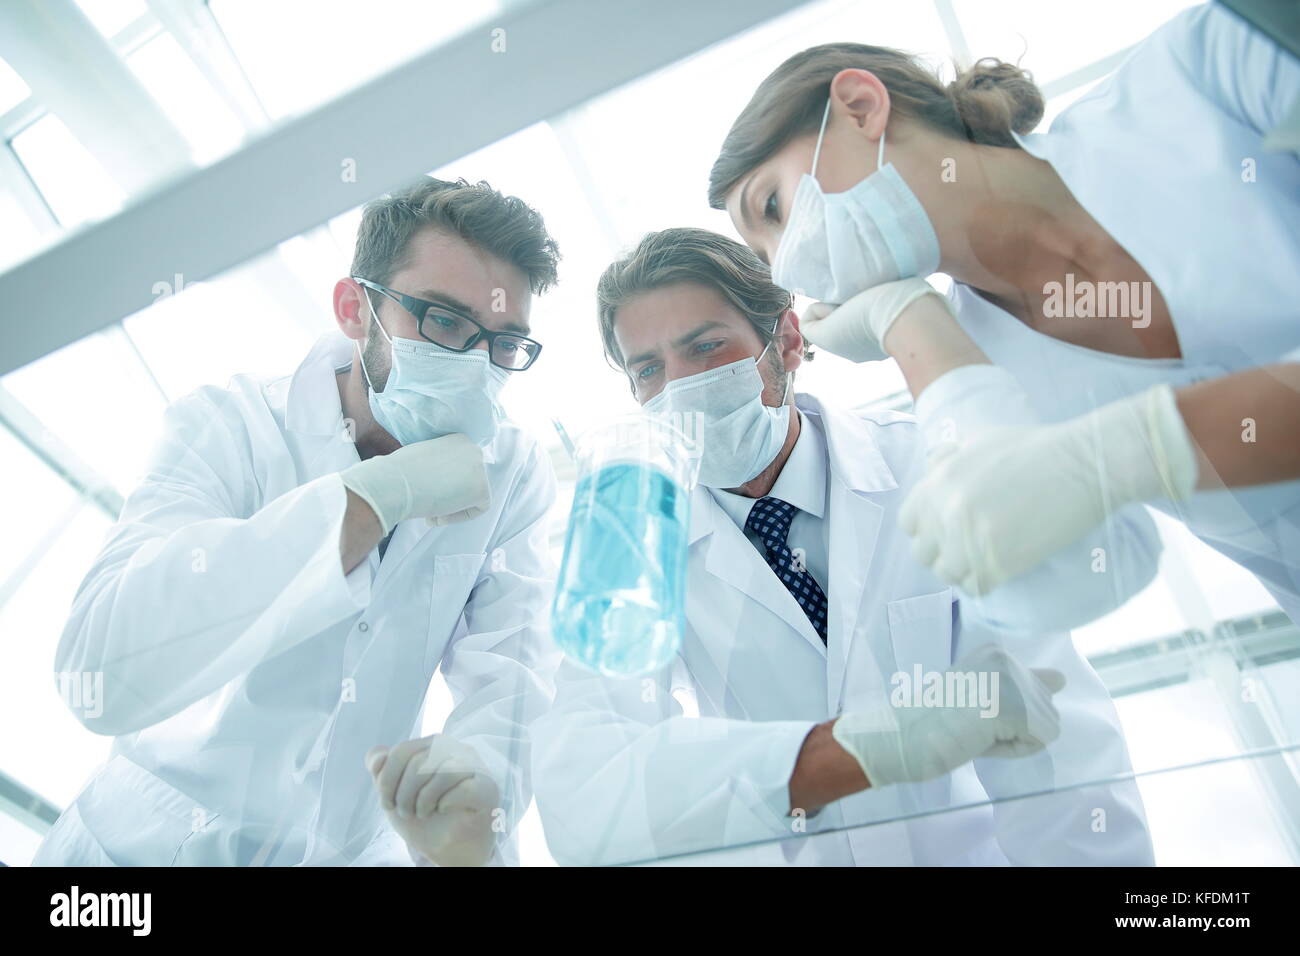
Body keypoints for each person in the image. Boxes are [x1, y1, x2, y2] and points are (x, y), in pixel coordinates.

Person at [531, 228, 1155, 866]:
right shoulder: (631, 548)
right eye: (650, 369)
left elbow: (1055, 744)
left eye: (706, 346)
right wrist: (868, 747)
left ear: (788, 341)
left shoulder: (929, 464)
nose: (680, 386)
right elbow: (589, 792)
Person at [34, 177, 561, 867]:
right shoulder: (229, 427)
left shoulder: (512, 474)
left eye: (502, 342)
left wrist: (478, 788)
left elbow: (514, 679)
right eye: (442, 320)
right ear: (355, 308)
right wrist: (372, 500)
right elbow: (96, 672)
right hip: (136, 855)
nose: (472, 362)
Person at [708, 2, 1300, 613]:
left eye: (773, 208)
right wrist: (909, 322)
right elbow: (1053, 589)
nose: (787, 267)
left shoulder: (1207, 71)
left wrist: (1128, 453)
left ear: (860, 107)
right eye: (767, 255)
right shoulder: (975, 372)